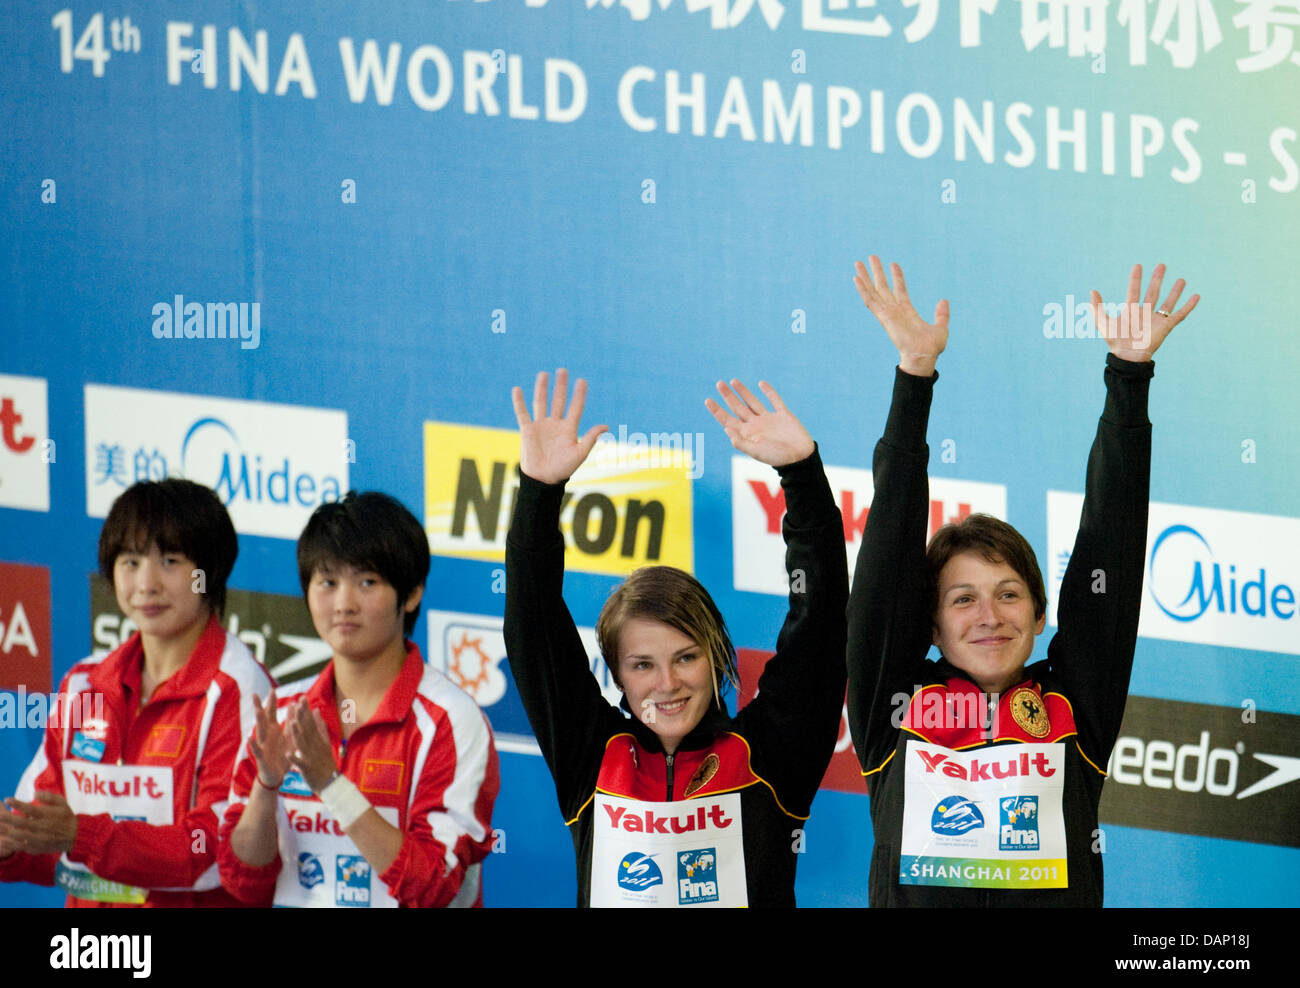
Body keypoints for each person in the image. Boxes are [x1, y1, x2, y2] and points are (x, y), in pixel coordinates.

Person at [846, 256, 1199, 906]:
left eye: (1009, 594)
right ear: (930, 623)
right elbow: (887, 564)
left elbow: (1110, 552)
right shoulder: (890, 708)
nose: (989, 615)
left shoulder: (1074, 709)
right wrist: (914, 378)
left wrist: (1128, 379)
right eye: (963, 599)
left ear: (1041, 615)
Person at [505, 369, 848, 907]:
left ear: (715, 657)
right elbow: (533, 626)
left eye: (685, 657)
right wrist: (539, 493)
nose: (667, 683)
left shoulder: (770, 753)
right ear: (616, 673)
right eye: (642, 665)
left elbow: (822, 624)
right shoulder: (592, 757)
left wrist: (801, 475)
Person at [218, 491, 499, 907]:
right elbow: (243, 880)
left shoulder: (450, 721)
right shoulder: (282, 710)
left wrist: (332, 786)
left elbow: (434, 886)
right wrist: (267, 785)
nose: (344, 604)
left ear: (412, 593)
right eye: (327, 582)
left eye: (367, 582)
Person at [0, 479, 271, 907]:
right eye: (130, 561)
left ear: (208, 572)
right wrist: (12, 843)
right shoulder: (85, 684)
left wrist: (81, 835)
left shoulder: (238, 690)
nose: (146, 584)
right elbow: (46, 838)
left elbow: (218, 851)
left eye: (170, 561)